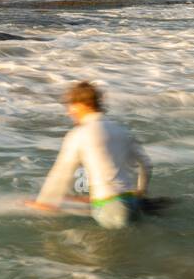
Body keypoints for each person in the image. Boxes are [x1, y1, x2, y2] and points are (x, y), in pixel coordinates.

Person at [29, 82, 151, 229]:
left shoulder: (79, 134)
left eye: (70, 105)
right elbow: (146, 164)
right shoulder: (121, 130)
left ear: (81, 105)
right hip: (131, 203)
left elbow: (62, 172)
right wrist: (140, 192)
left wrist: (44, 202)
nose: (69, 112)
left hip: (107, 207)